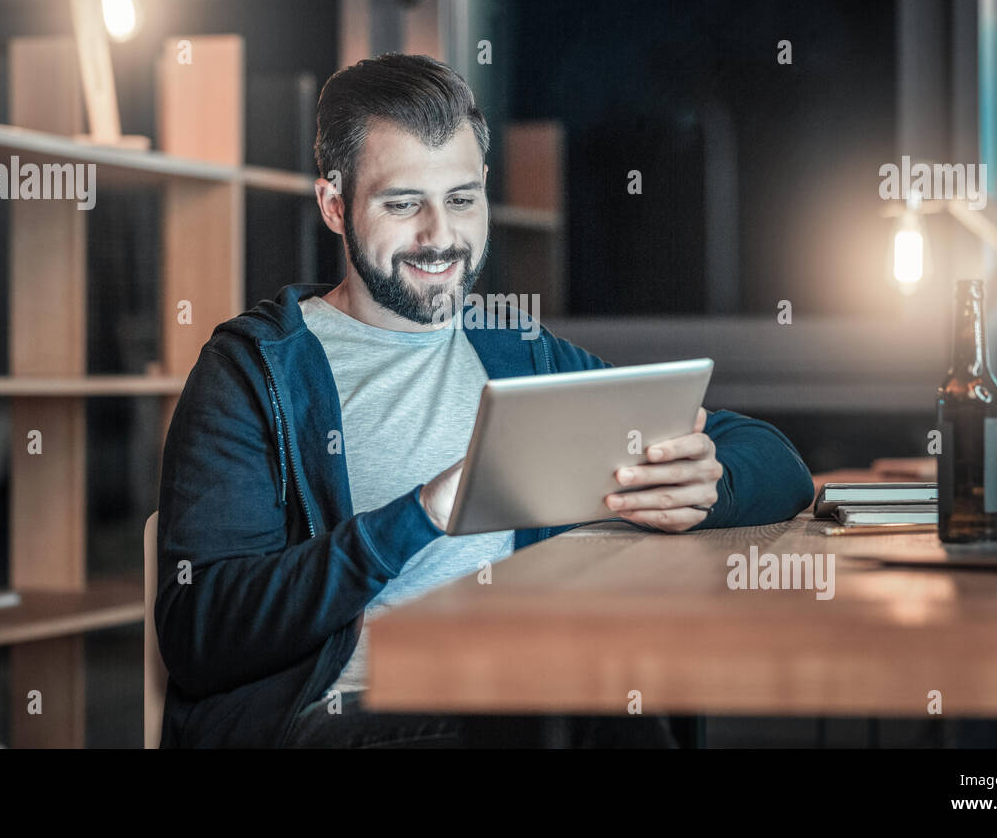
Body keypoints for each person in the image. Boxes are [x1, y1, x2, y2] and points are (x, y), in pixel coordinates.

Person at [155, 53, 815, 747]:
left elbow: (779, 463)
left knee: (621, 718)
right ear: (334, 204)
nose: (441, 236)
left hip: (521, 694)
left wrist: (712, 483)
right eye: (404, 203)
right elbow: (201, 630)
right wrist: (414, 518)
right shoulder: (255, 372)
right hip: (341, 715)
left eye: (462, 200)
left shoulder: (517, 353)